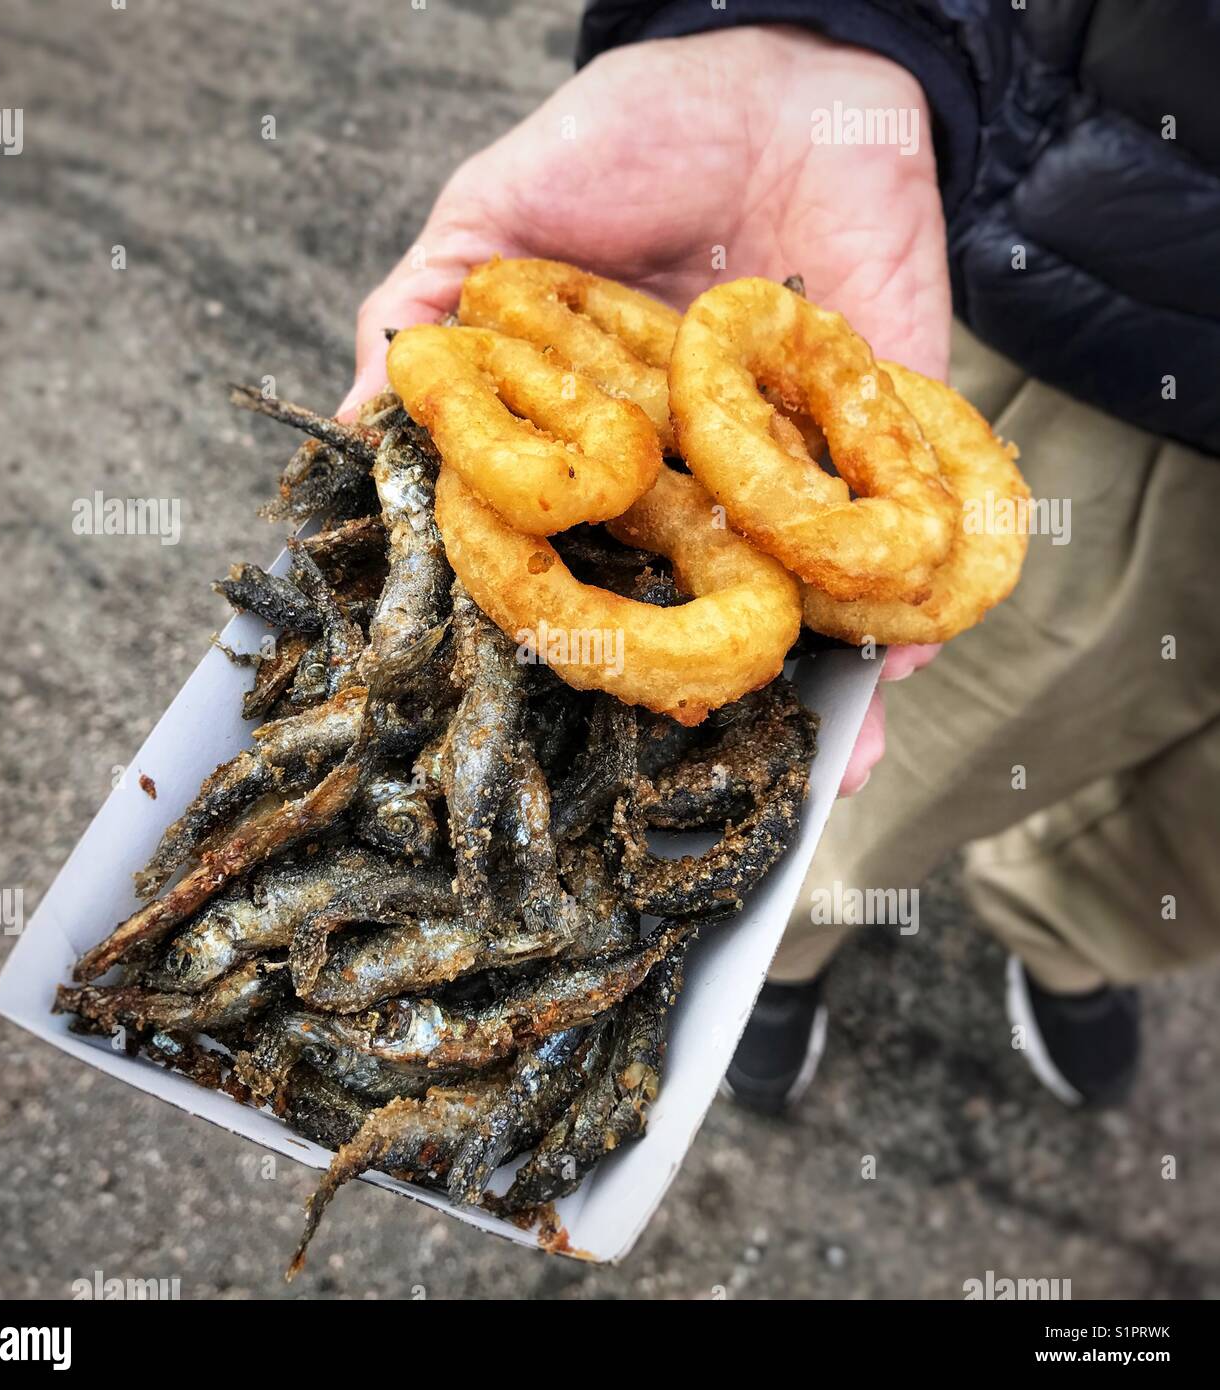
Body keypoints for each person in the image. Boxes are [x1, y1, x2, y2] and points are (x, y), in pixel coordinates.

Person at [340, 2, 1220, 1113]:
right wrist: (817, 26)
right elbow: (603, 458)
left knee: (1187, 824)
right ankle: (784, 956)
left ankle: (1075, 930)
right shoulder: (648, 387)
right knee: (914, 765)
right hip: (1114, 301)